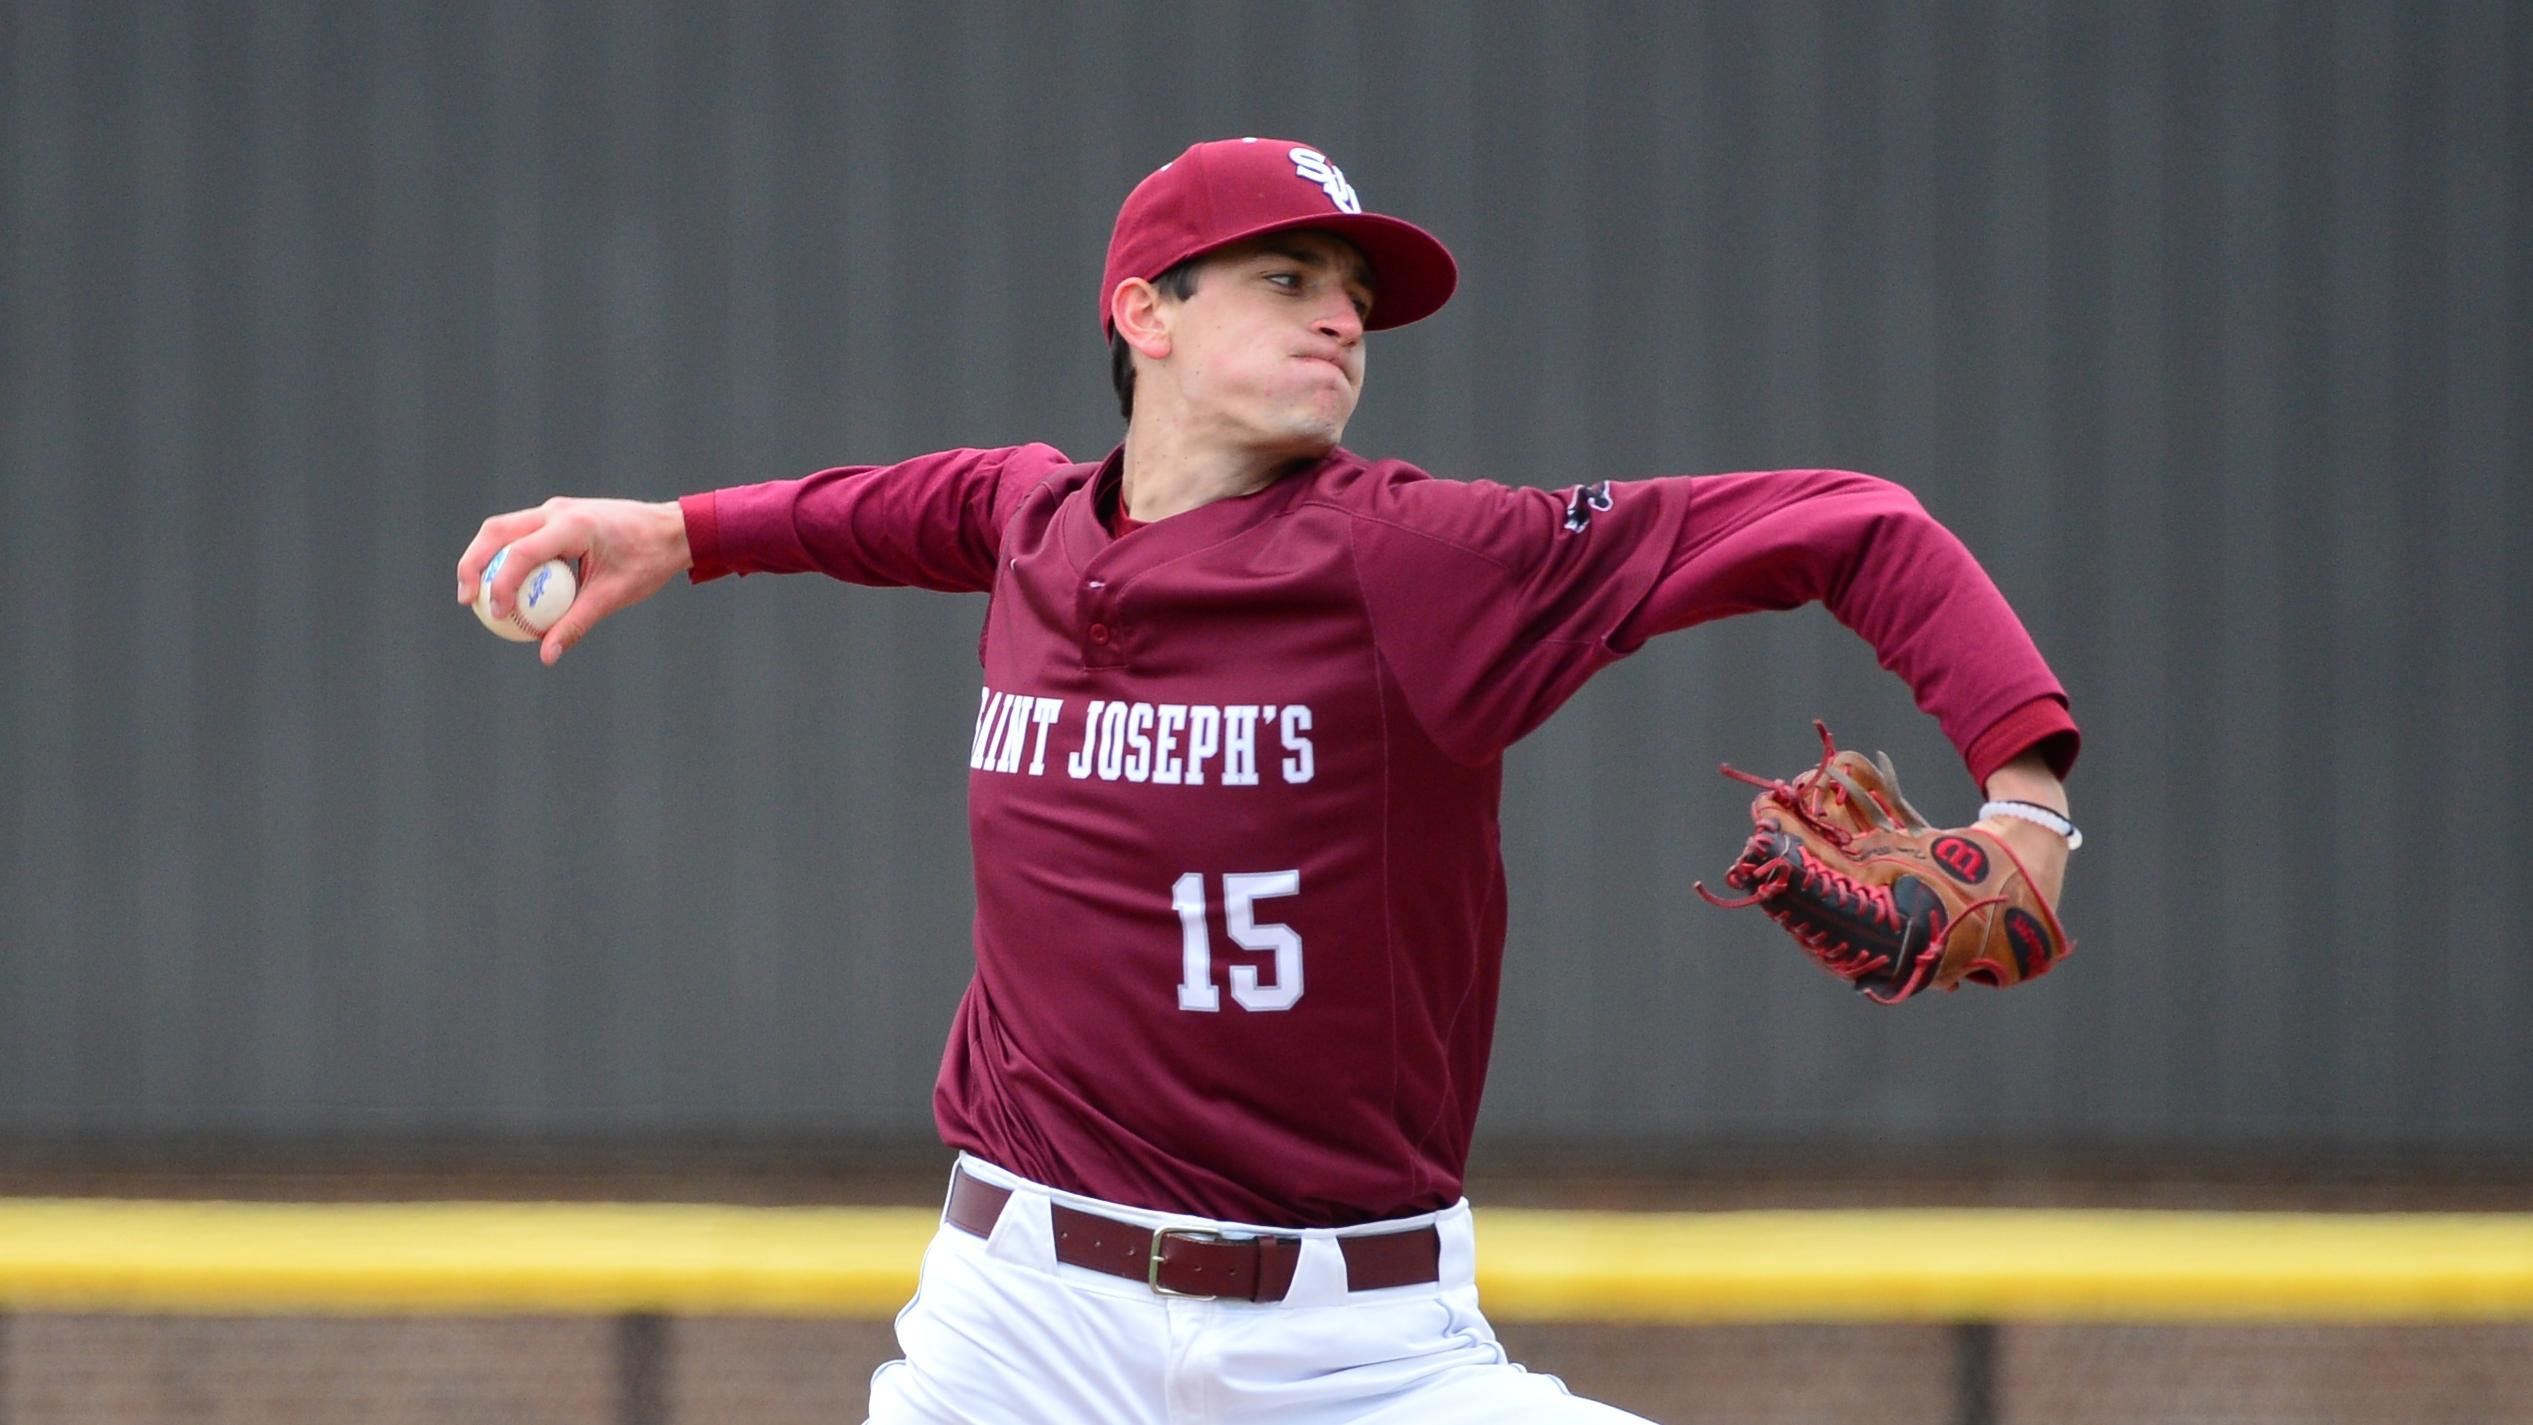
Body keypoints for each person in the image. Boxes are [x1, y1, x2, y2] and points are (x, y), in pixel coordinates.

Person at [457, 136, 2078, 1424]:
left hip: (1358, 1351)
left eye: (1355, 295)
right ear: (1142, 315)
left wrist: (2024, 801)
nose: (1341, 316)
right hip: (1016, 1328)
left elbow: (1854, 525)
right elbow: (886, 509)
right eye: (1286, 274)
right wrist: (677, 531)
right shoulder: (1033, 523)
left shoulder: (1419, 551)